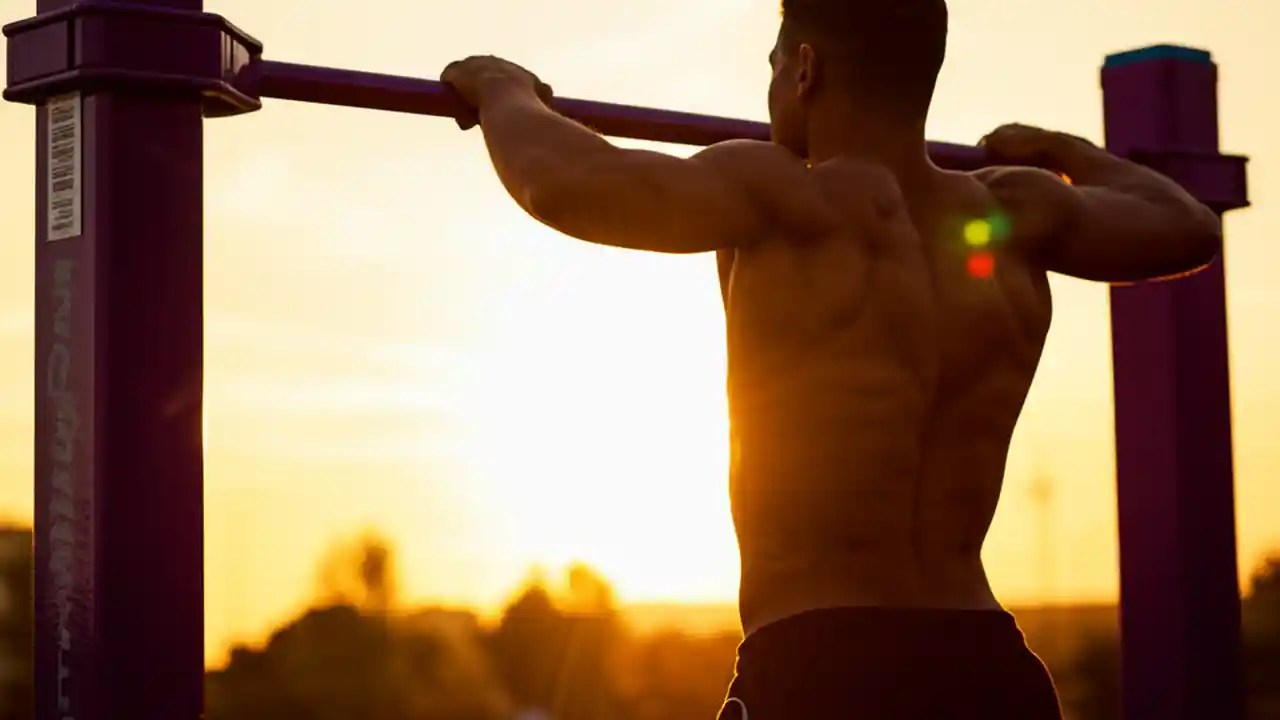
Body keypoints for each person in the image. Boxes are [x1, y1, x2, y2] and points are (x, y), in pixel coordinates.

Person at [441, 1, 1222, 718]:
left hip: (825, 663)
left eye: (774, 66)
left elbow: (570, 184)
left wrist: (502, 90)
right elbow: (1185, 223)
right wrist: (1068, 152)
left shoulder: (782, 195)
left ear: (805, 68)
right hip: (988, 667)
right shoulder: (1016, 212)